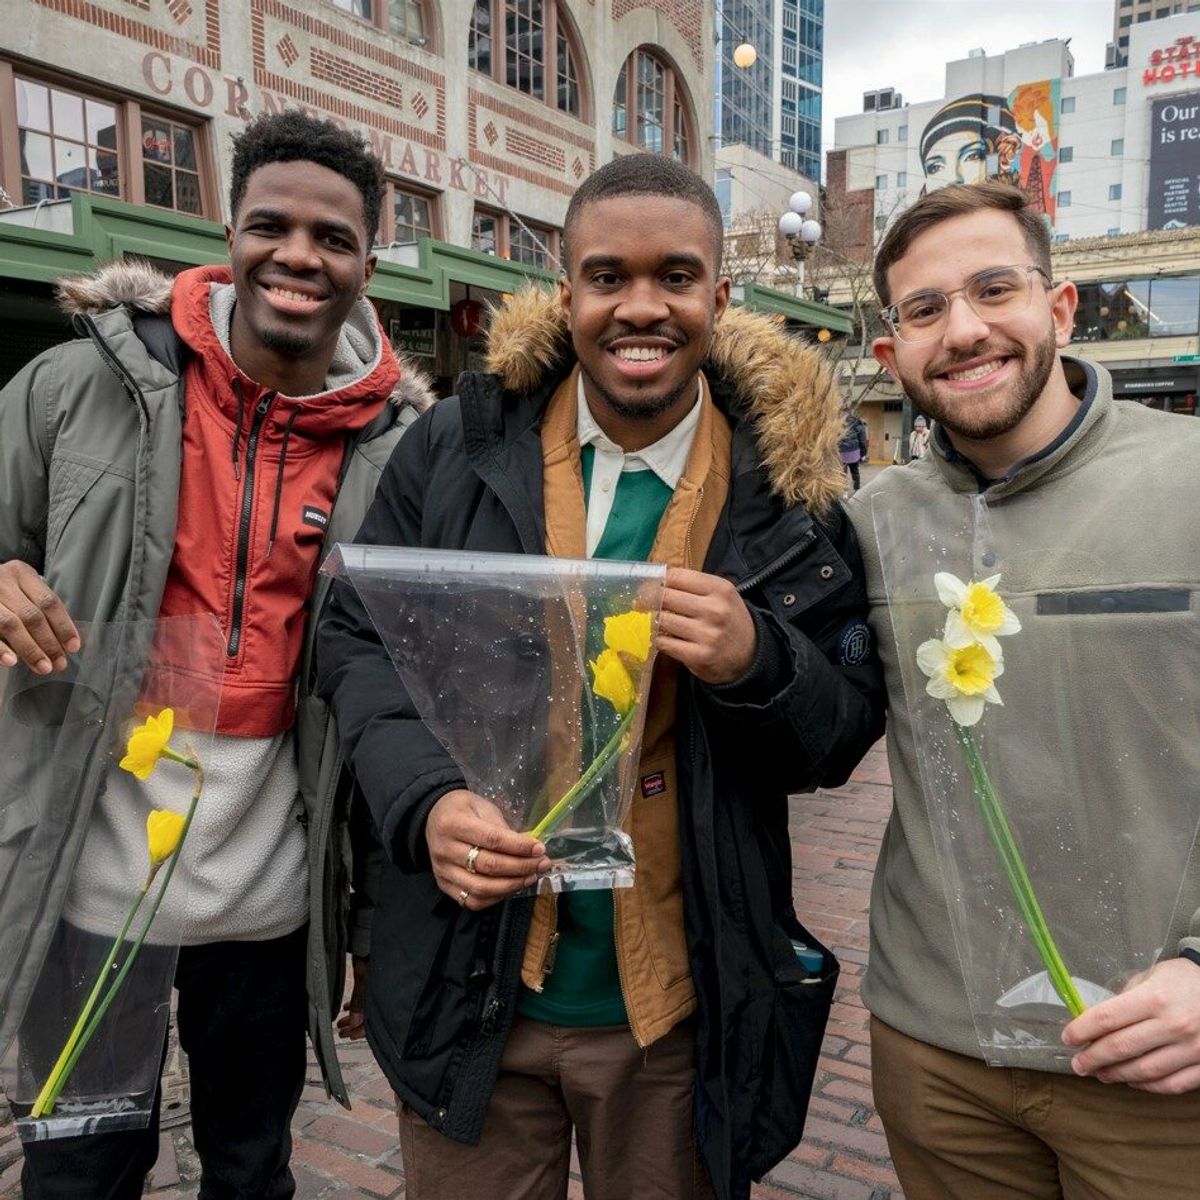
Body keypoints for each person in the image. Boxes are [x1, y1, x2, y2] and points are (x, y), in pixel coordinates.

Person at [318, 155, 885, 1200]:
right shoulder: (455, 449)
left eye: (676, 277)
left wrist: (758, 662)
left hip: (675, 1010)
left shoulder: (786, 490)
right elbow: (356, 637)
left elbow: (842, 730)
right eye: (606, 276)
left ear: (721, 294)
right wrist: (425, 803)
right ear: (567, 292)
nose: (641, 308)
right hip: (468, 986)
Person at [0, 110, 431, 1198]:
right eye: (271, 225)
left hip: (273, 905)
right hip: (88, 891)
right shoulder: (71, 388)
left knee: (251, 1169)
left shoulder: (405, 455)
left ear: (367, 263)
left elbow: (406, 701)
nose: (299, 255)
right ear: (227, 234)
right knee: (79, 1175)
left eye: (333, 237)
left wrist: (370, 920)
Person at [848, 180, 1200, 1198]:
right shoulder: (871, 524)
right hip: (938, 1057)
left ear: (1060, 307)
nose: (962, 330)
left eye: (993, 289)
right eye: (924, 310)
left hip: (1154, 1059)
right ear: (892, 353)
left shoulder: (1186, 477)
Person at [838, 409, 869, 492]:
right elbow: (863, 441)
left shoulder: (838, 423)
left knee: (842, 473)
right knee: (855, 471)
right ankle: (857, 490)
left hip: (842, 452)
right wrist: (863, 454)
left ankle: (844, 492)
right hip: (854, 451)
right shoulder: (858, 424)